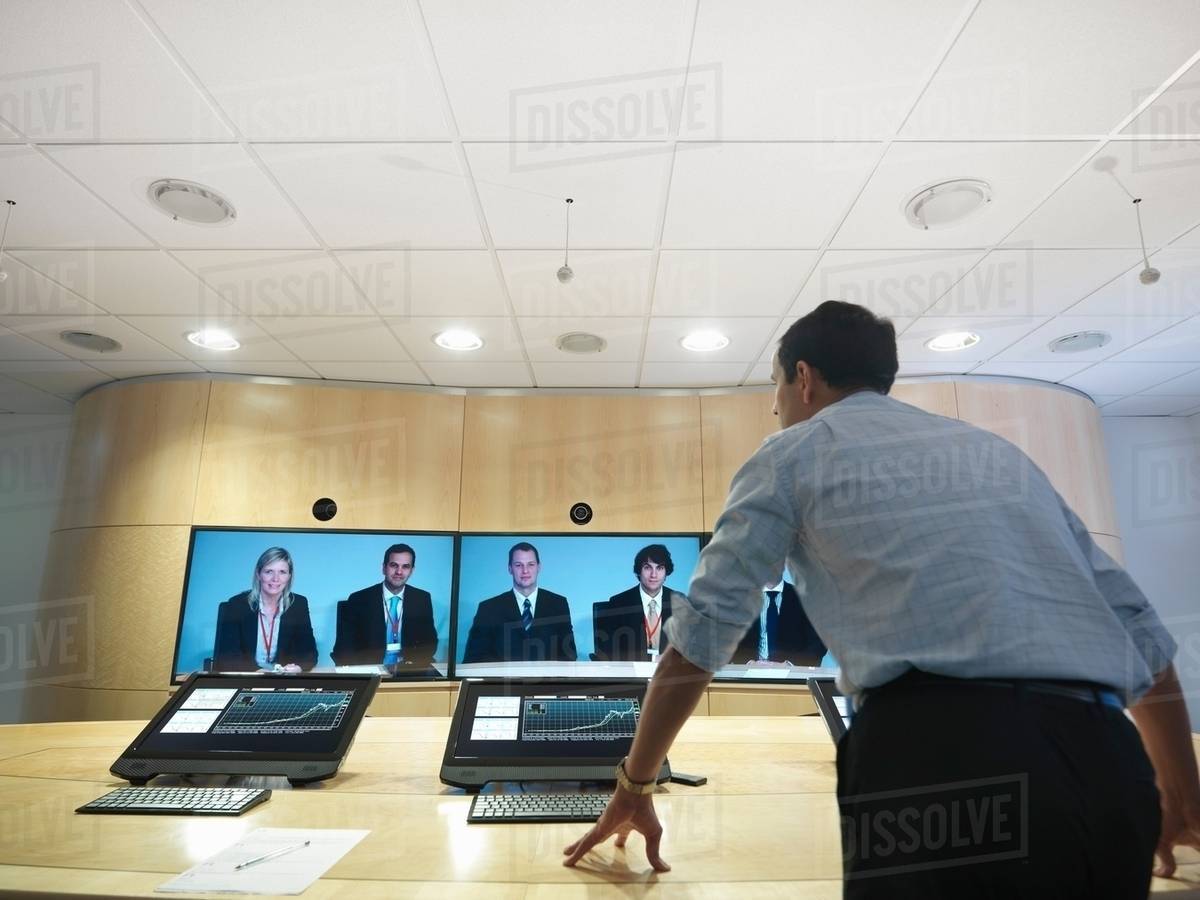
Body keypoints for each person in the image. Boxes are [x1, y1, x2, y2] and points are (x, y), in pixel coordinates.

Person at [561, 300, 1200, 897]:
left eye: (777, 391)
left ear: (803, 379)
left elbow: (701, 636)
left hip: (941, 767)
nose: (778, 409)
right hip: (1108, 761)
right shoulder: (997, 455)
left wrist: (634, 783)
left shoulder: (791, 455)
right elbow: (1135, 626)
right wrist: (1180, 787)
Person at [463, 542, 576, 663]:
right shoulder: (488, 608)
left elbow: (569, 655)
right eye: (518, 565)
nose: (525, 571)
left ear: (539, 567)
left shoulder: (558, 604)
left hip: (547, 681)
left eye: (531, 564)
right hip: (503, 681)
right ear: (510, 568)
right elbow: (473, 659)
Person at [331, 543, 438, 670]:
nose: (399, 571)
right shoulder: (359, 599)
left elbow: (429, 643)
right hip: (371, 670)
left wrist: (409, 667)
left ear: (412, 571)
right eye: (394, 565)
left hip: (406, 671)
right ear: (384, 568)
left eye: (405, 567)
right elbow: (344, 647)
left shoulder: (421, 599)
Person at [212, 547, 317, 672]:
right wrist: (257, 672)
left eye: (282, 572)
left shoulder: (298, 604)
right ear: (258, 574)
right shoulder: (237, 605)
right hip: (247, 679)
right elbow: (228, 657)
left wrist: (298, 668)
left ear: (289, 576)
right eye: (269, 572)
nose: (276, 579)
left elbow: (309, 652)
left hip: (283, 680)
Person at [593, 544, 679, 662]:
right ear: (638, 571)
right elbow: (608, 651)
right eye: (647, 567)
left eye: (659, 568)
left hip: (670, 673)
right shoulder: (618, 603)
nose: (653, 575)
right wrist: (653, 659)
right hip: (630, 674)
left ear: (666, 572)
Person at [729, 579, 826, 666]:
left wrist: (789, 665)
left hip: (793, 677)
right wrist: (747, 663)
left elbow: (818, 643)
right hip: (746, 675)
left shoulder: (806, 597)